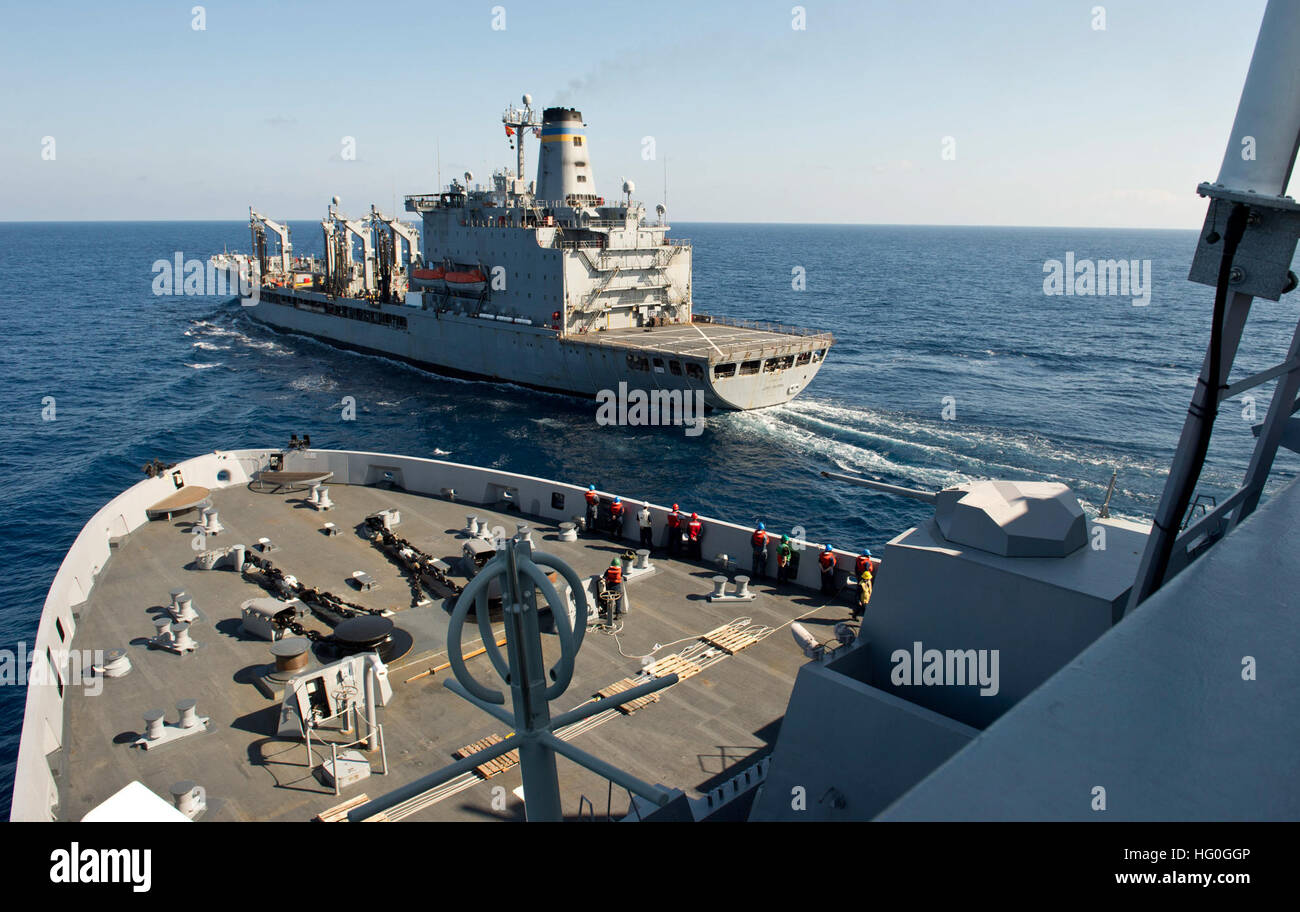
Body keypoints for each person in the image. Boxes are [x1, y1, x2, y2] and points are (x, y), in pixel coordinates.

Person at [853, 549, 874, 618]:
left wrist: (857, 576)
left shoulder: (858, 560)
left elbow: (856, 569)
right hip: (863, 578)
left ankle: (858, 606)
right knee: (861, 591)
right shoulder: (867, 563)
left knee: (859, 591)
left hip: (859, 576)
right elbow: (867, 571)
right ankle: (859, 604)